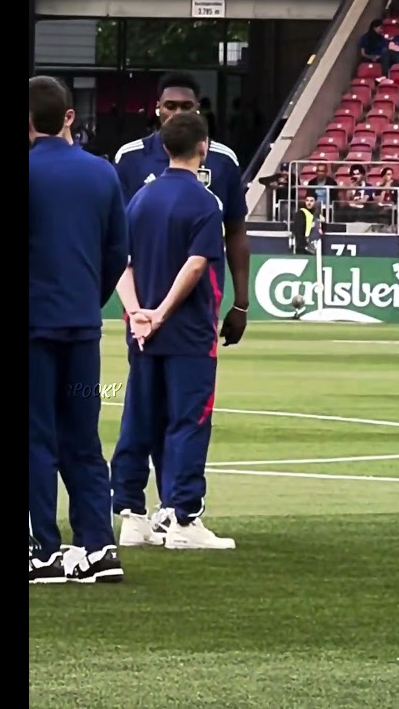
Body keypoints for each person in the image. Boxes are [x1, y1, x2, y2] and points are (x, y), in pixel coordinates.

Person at [111, 72, 250, 546]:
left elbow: (119, 262)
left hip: (143, 330)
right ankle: (183, 517)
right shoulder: (205, 202)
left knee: (140, 417)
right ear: (203, 149)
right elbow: (196, 266)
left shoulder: (140, 199)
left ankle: (131, 512)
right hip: (186, 330)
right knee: (188, 418)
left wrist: (137, 315)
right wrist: (164, 313)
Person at [28, 76, 129, 582]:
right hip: (83, 327)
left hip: (35, 326)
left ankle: (43, 549)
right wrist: (91, 299)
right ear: (68, 116)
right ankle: (99, 546)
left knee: (37, 436)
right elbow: (117, 252)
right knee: (83, 437)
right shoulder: (103, 174)